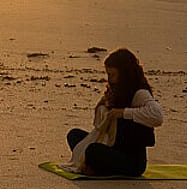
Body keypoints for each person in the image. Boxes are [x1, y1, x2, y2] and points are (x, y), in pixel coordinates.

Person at [66, 47, 164, 176]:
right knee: (74, 135)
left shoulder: (139, 93)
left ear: (124, 73)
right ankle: (93, 166)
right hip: (111, 146)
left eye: (112, 75)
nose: (110, 79)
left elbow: (157, 116)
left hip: (131, 161)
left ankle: (94, 166)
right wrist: (102, 107)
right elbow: (99, 126)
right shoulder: (115, 91)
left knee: (92, 150)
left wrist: (124, 113)